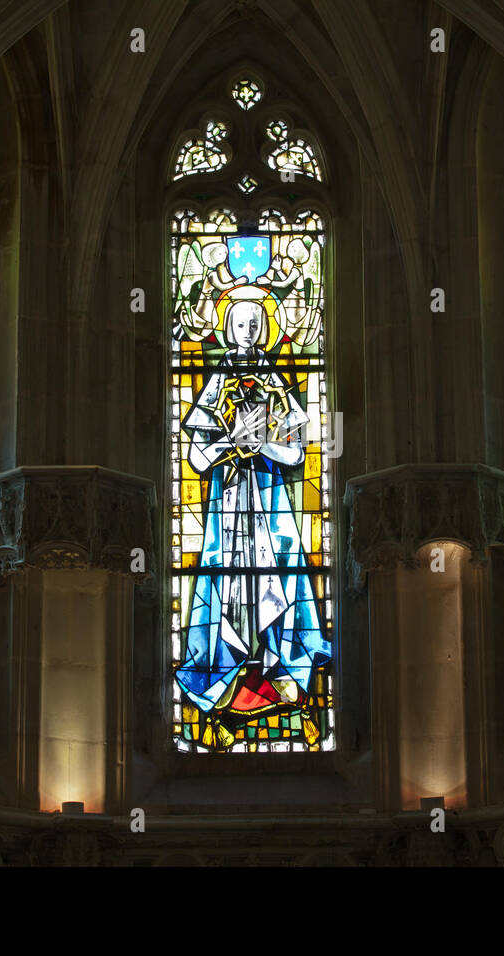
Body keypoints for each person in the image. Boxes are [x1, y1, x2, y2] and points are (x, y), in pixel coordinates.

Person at [176, 297, 330, 736]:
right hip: (228, 503)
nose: (247, 330)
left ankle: (280, 678)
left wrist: (260, 444)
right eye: (239, 323)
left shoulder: (276, 384)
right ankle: (223, 689)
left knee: (274, 582)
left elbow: (295, 450)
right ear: (228, 328)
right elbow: (198, 458)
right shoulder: (217, 382)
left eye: (254, 323)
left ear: (263, 328)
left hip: (269, 501)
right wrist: (230, 443)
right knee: (228, 587)